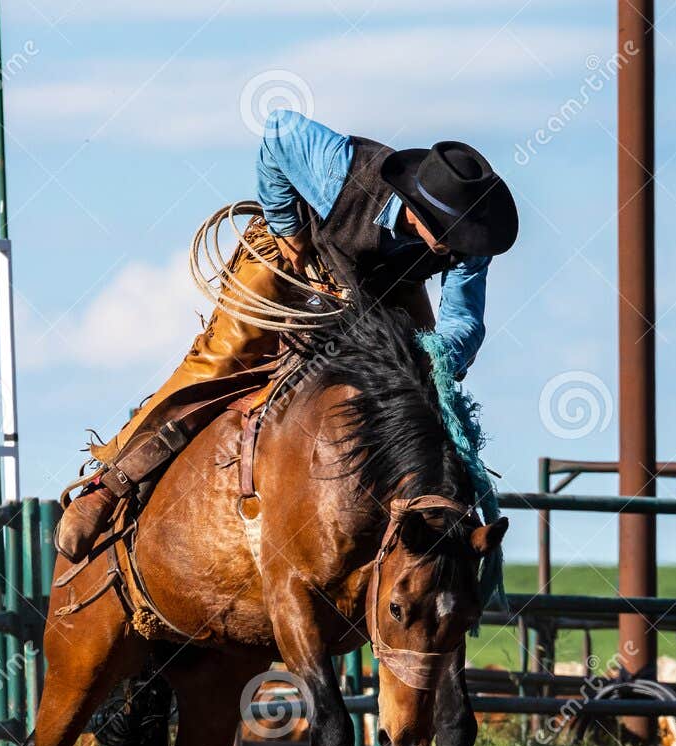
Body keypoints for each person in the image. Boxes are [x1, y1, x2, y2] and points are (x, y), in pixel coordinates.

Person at [54, 109, 519, 561]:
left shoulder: (466, 243)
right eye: (450, 235)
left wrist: (437, 357)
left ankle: (432, 531)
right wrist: (288, 229)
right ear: (418, 210)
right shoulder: (346, 171)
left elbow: (464, 320)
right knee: (222, 358)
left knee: (424, 392)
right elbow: (279, 130)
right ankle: (109, 485)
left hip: (385, 284)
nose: (459, 249)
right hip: (290, 257)